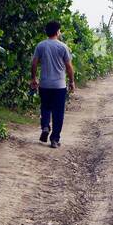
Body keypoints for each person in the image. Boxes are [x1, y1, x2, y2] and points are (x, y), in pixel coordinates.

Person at [32, 20, 76, 148]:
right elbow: (69, 67)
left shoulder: (40, 46)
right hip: (59, 86)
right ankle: (55, 139)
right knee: (58, 113)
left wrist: (34, 78)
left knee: (45, 107)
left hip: (45, 84)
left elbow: (34, 63)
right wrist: (72, 81)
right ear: (57, 32)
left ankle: (45, 126)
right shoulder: (63, 47)